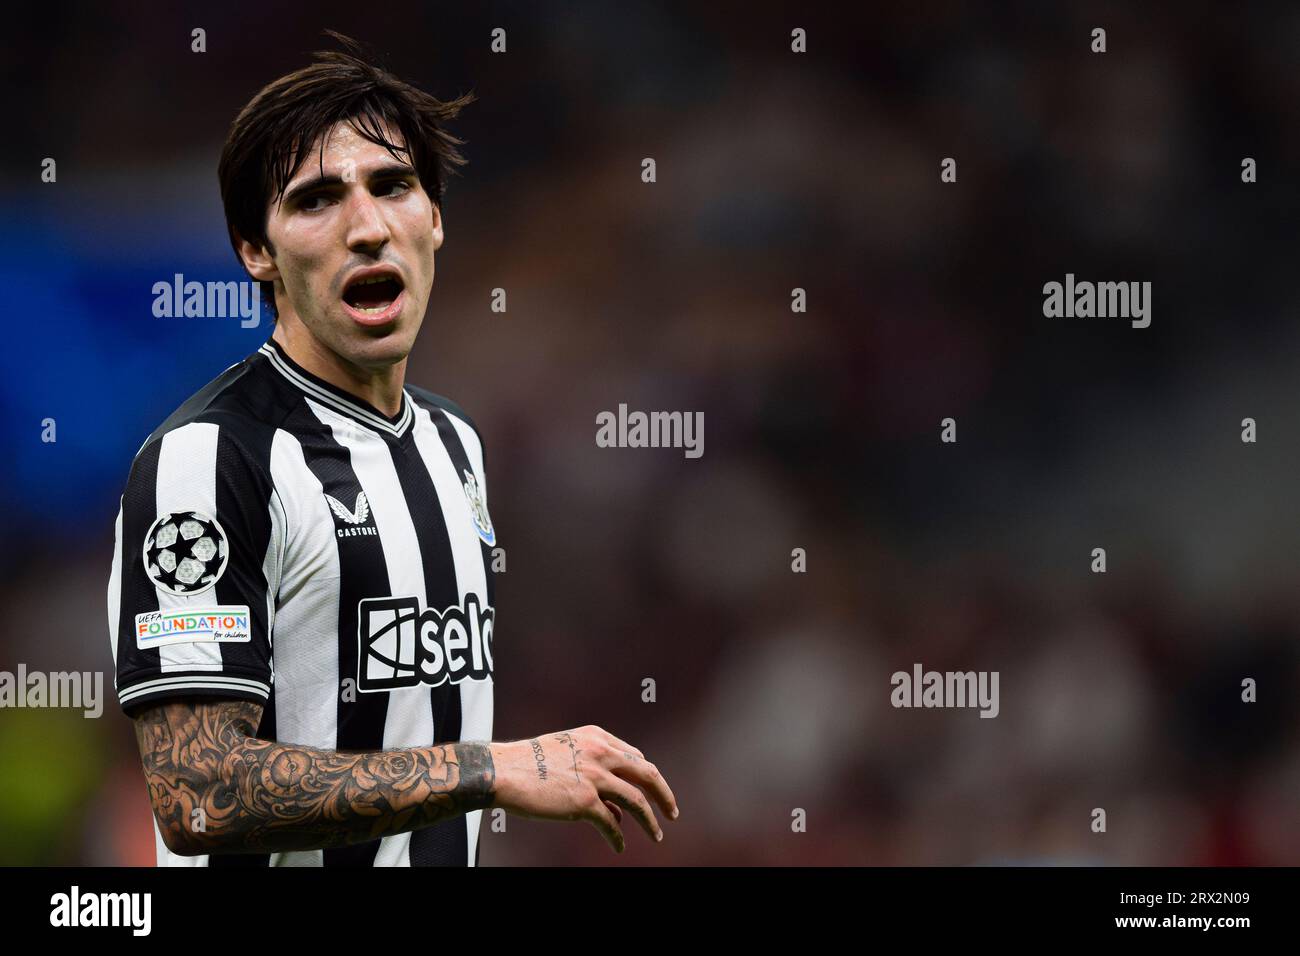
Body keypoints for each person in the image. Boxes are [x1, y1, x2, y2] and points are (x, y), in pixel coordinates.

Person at [106, 33, 677, 867]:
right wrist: (488, 768)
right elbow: (196, 790)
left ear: (435, 220)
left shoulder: (456, 445)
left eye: (394, 186)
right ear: (256, 252)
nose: (367, 227)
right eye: (315, 200)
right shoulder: (208, 462)